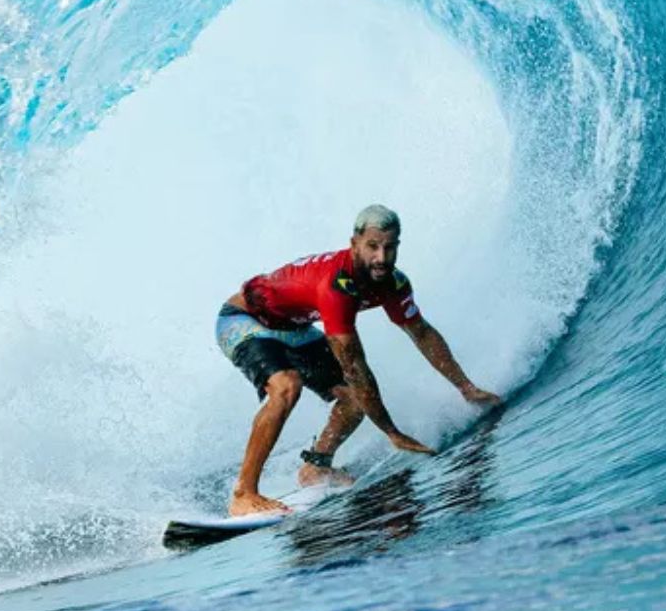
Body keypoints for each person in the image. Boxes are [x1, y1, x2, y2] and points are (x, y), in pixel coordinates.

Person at [214, 204, 502, 516]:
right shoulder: (336, 286)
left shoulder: (393, 283)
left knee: (353, 400)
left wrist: (465, 387)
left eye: (389, 248)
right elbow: (354, 366)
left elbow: (422, 333)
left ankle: (317, 466)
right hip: (244, 320)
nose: (381, 257)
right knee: (286, 386)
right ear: (354, 244)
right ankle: (244, 493)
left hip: (294, 328)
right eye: (372, 247)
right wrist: (391, 432)